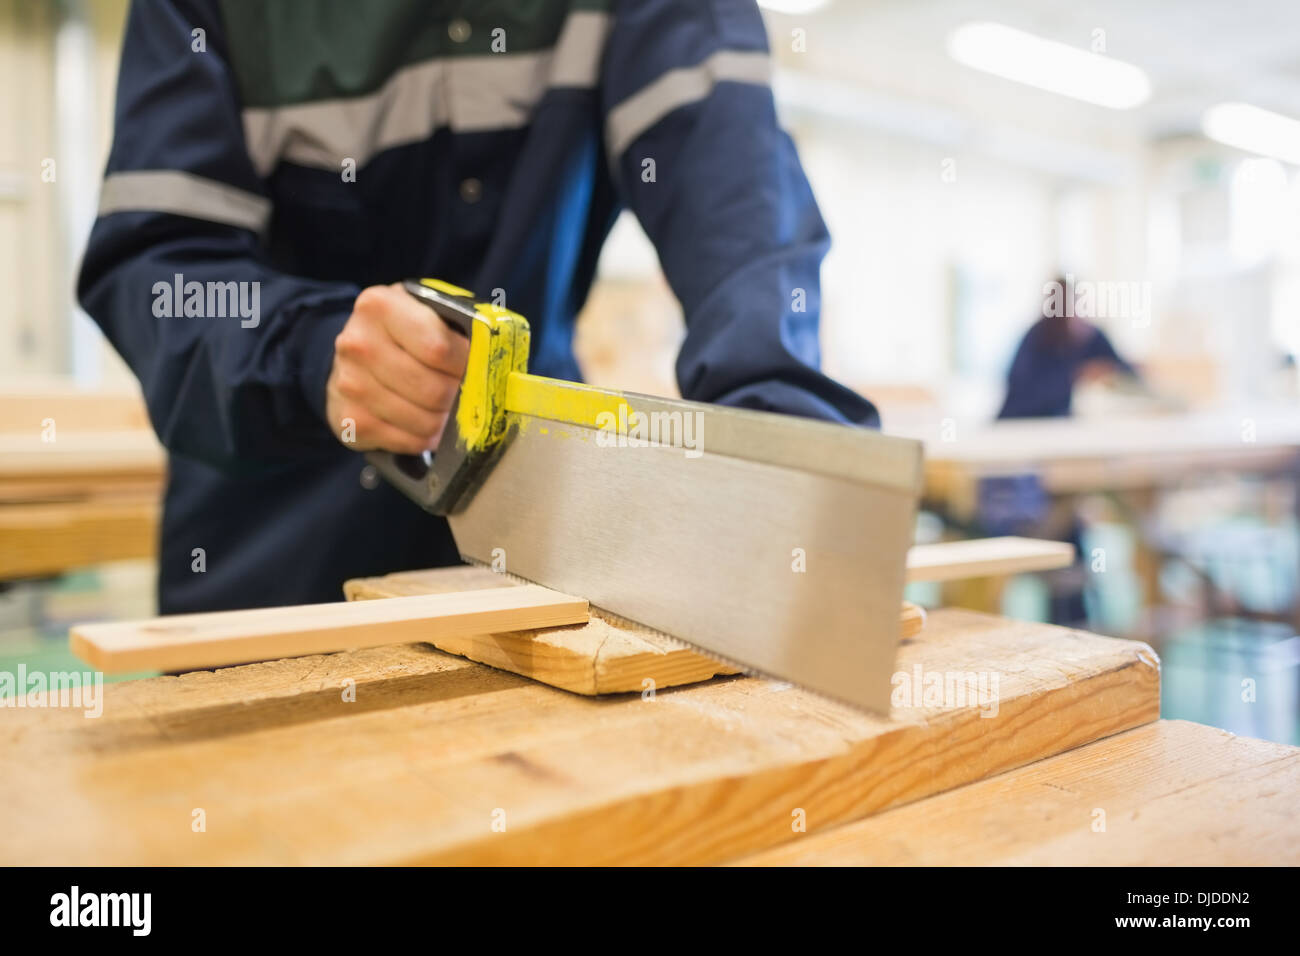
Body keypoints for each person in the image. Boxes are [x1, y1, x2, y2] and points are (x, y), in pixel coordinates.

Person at [78, 1, 876, 613]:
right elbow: (159, 267)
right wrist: (310, 353)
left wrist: (778, 420)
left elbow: (731, 186)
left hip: (536, 558)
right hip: (272, 571)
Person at [997, 276, 1139, 420]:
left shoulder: (1091, 336)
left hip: (1064, 426)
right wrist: (1076, 375)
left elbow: (1125, 370)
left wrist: (1108, 369)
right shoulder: (1037, 337)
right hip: (1021, 423)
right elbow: (1022, 390)